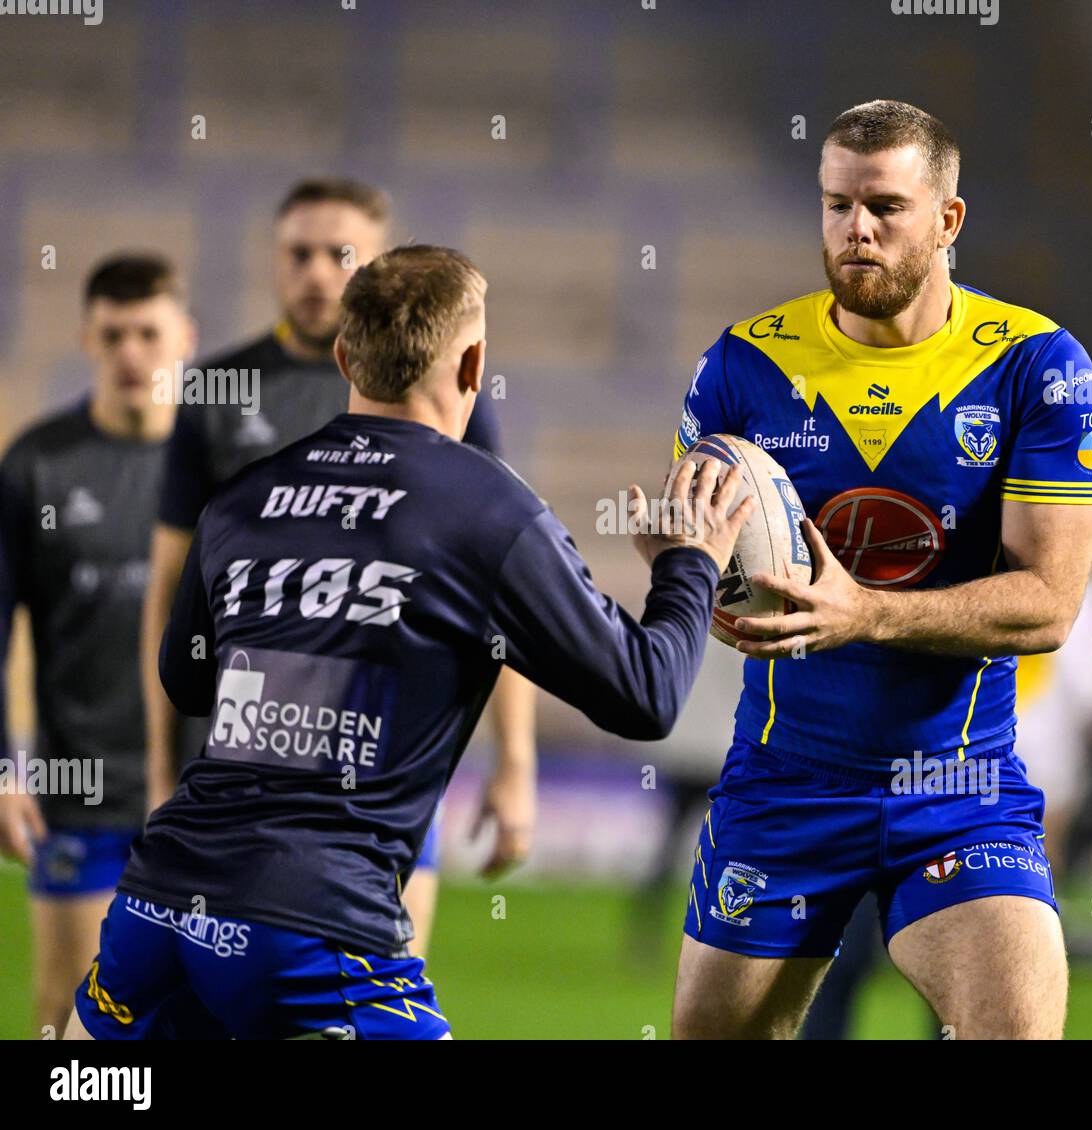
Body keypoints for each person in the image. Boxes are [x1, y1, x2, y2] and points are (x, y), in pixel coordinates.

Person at [65, 244, 752, 1040]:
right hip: (315, 931)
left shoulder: (243, 498)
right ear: (473, 365)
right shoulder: (488, 511)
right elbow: (646, 695)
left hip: (157, 912)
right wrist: (689, 567)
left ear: (344, 355)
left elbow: (185, 683)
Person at [670, 100, 1092, 1039]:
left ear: (948, 220)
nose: (855, 230)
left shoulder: (1037, 367)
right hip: (785, 782)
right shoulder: (743, 366)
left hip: (959, 788)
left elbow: (1048, 607)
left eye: (884, 207)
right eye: (836, 206)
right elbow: (688, 536)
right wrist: (692, 571)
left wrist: (863, 613)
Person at [138, 178, 535, 957]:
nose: (319, 271)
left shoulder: (447, 391)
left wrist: (514, 764)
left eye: (340, 254)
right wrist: (159, 770)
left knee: (376, 990)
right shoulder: (217, 395)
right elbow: (167, 592)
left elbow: (501, 590)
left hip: (386, 769)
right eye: (299, 253)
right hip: (243, 765)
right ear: (275, 262)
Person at [0, 255, 195, 1034]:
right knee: (67, 1015)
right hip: (80, 793)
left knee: (196, 1017)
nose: (131, 353)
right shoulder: (38, 464)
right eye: (113, 334)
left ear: (184, 336)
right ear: (87, 336)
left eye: (149, 333)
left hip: (200, 799)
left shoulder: (223, 465)